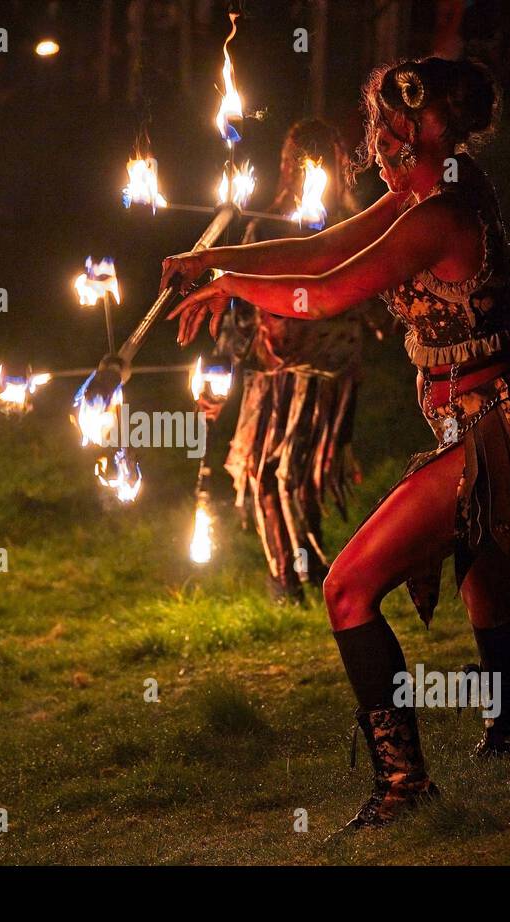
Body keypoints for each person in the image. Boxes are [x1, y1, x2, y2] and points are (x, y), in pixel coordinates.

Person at [163, 58, 510, 832]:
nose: (374, 135)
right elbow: (318, 254)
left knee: (347, 588)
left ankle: (404, 784)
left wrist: (227, 278)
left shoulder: (440, 214)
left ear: (427, 129)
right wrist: (213, 266)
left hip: (497, 429)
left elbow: (322, 296)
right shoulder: (420, 196)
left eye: (387, 120)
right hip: (498, 419)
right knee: (482, 580)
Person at [211, 118, 370, 603]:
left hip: (300, 372)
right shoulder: (351, 228)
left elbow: (244, 307)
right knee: (290, 474)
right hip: (312, 372)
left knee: (278, 474)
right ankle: (303, 569)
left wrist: (225, 362)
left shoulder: (331, 230)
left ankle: (293, 574)